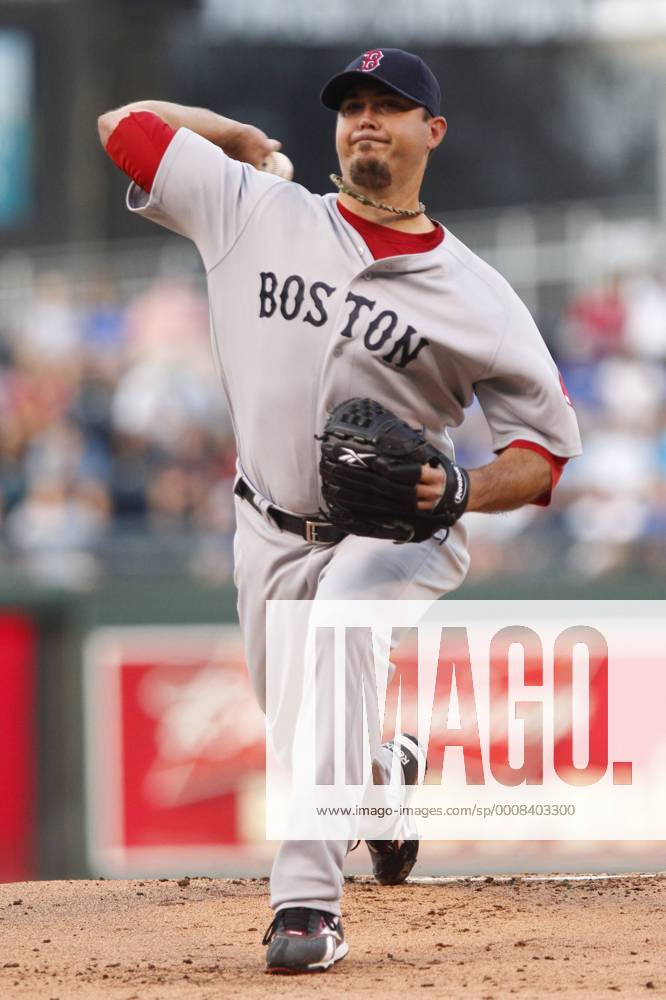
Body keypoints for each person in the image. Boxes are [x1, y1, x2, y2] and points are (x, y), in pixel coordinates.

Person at [97, 47, 582, 975]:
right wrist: (234, 137)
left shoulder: (478, 296)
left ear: (430, 132)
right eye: (353, 104)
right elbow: (124, 127)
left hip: (397, 534)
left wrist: (467, 491)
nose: (367, 118)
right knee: (312, 729)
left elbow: (547, 451)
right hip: (265, 527)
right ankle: (383, 780)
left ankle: (306, 905)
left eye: (391, 107)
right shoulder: (253, 208)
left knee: (347, 616)